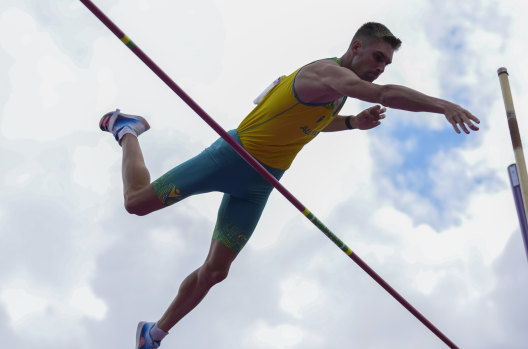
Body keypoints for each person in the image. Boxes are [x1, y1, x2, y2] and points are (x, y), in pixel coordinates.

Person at [99, 22, 480, 349]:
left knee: (217, 271)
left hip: (260, 183)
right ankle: (127, 129)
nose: (381, 68)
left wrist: (351, 123)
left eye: (387, 63)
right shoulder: (326, 74)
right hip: (231, 157)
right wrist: (442, 104)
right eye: (378, 58)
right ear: (356, 47)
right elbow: (384, 95)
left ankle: (155, 333)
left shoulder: (340, 91)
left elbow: (313, 121)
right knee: (137, 203)